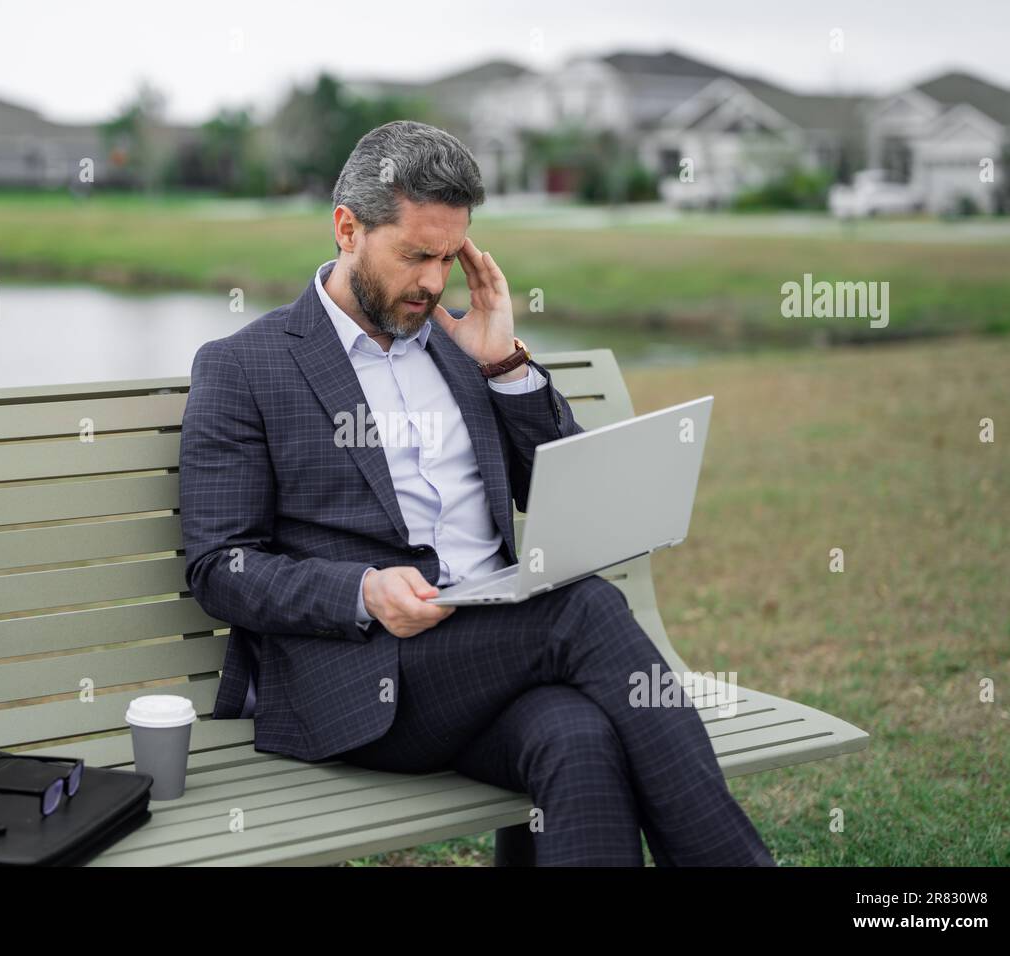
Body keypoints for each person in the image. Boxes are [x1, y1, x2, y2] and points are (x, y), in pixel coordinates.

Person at [180, 119, 774, 866]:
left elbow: (572, 487)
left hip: (495, 657)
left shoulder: (463, 349)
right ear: (347, 228)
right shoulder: (247, 366)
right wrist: (361, 590)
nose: (433, 282)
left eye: (447, 256)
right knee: (583, 607)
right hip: (369, 677)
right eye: (414, 255)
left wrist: (506, 367)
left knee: (576, 738)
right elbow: (218, 566)